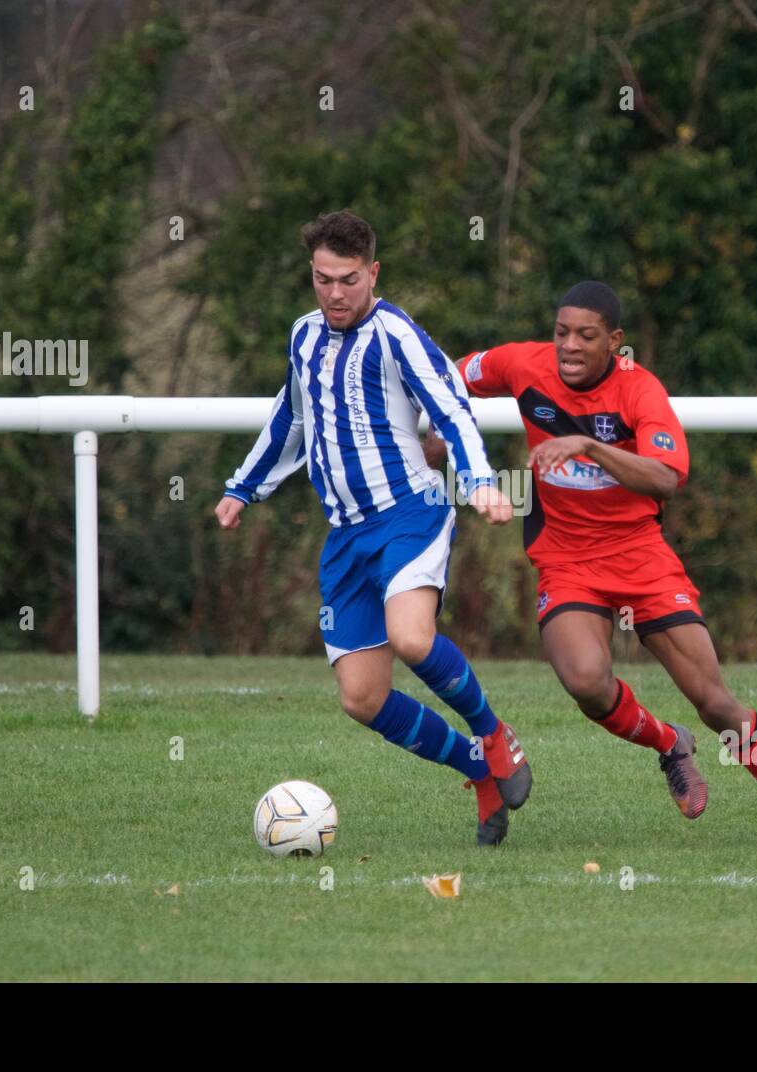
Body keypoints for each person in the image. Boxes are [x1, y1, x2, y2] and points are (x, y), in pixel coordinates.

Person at [438, 281, 757, 846]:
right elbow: (444, 382)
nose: (569, 347)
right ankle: (668, 744)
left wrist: (588, 446)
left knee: (715, 702)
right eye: (561, 333)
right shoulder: (522, 364)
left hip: (641, 557)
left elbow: (667, 477)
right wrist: (440, 441)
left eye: (586, 336)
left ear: (614, 341)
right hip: (568, 560)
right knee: (586, 682)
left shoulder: (639, 391)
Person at [215, 210, 531, 847]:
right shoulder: (303, 337)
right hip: (347, 537)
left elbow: (451, 408)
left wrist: (479, 481)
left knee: (412, 638)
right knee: (361, 699)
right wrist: (242, 487)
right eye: (322, 278)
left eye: (348, 280)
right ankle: (476, 770)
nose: (334, 292)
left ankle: (494, 737)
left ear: (373, 274)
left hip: (410, 513)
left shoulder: (398, 336)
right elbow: (291, 420)